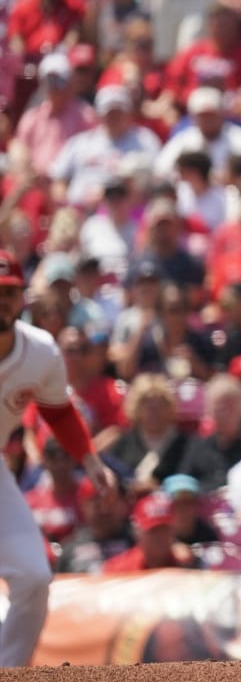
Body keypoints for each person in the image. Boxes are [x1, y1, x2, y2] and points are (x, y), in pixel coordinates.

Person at [0, 250, 116, 666]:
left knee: (33, 577)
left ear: (22, 299)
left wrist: (90, 461)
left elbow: (58, 410)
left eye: (9, 292)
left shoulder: (40, 351)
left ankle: (8, 670)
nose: (2, 300)